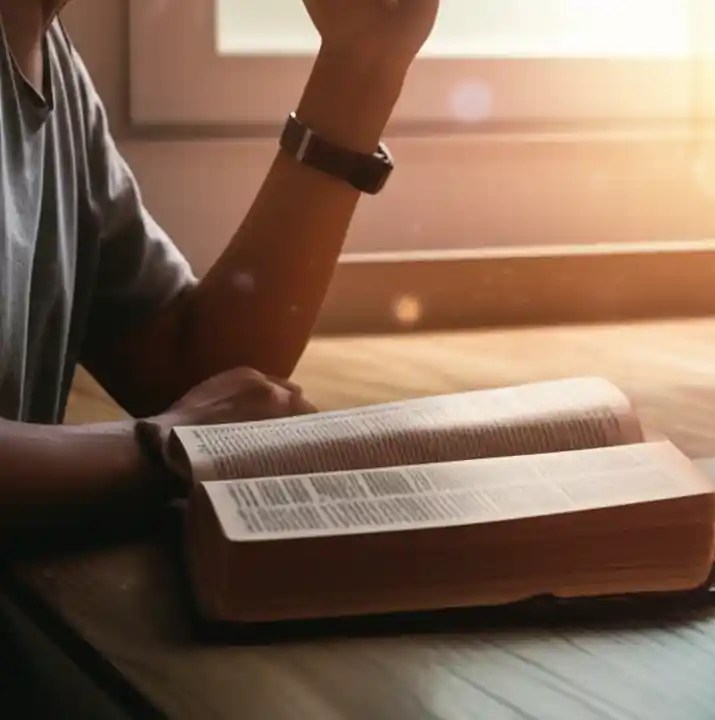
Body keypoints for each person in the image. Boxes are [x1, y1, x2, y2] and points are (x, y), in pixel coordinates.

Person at [0, 0, 441, 541]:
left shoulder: (49, 55)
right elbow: (196, 416)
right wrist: (169, 446)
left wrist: (361, 63)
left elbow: (194, 368)